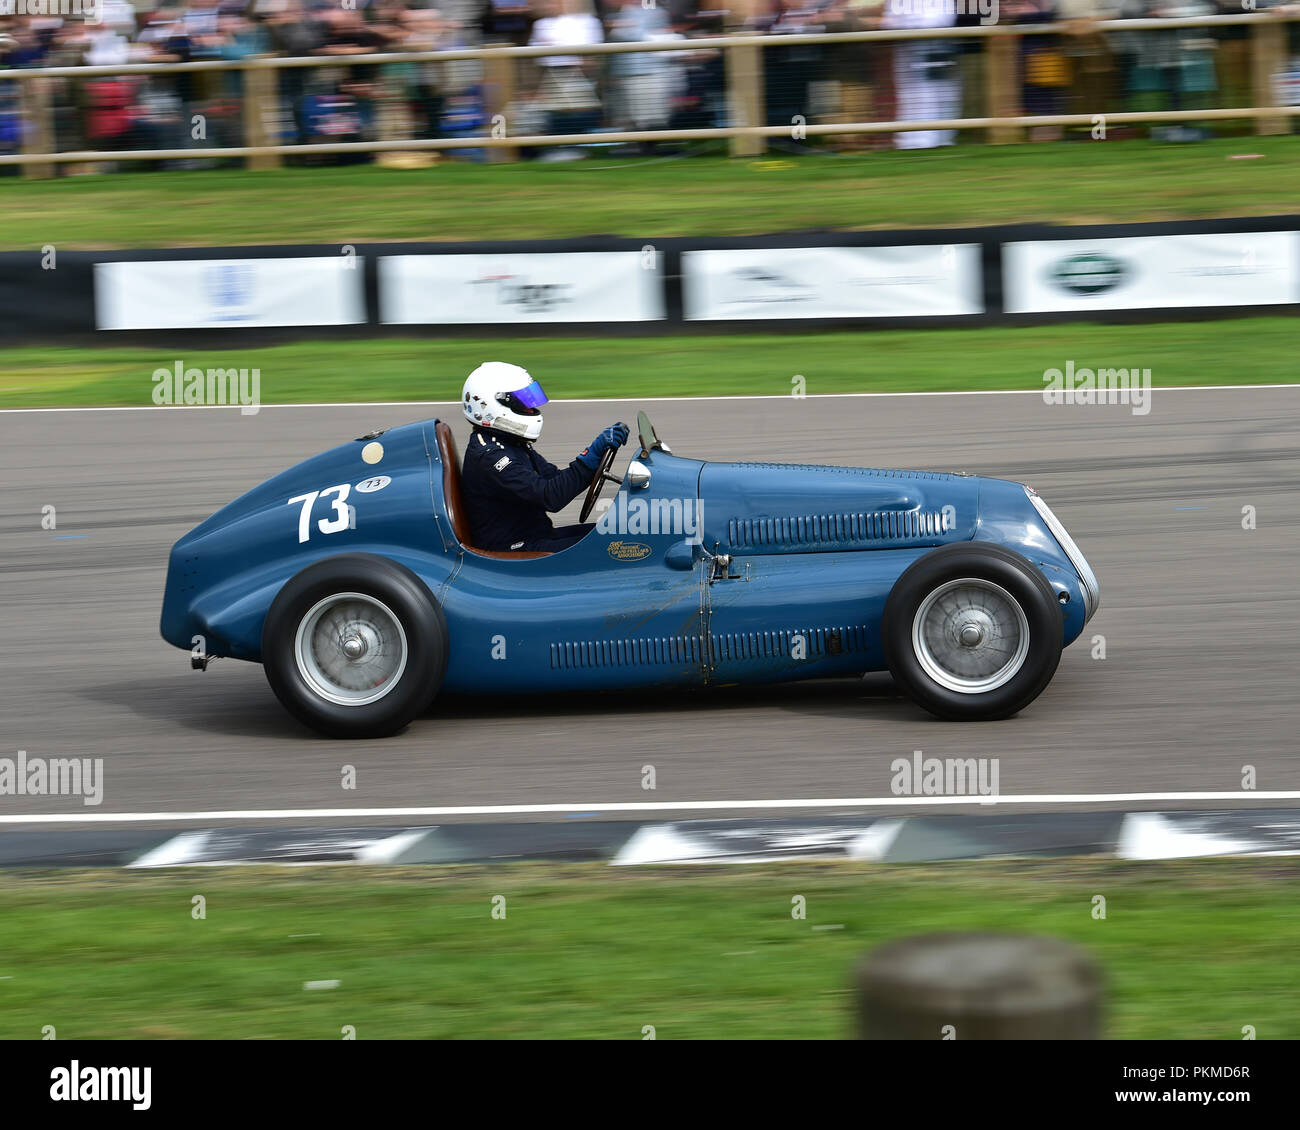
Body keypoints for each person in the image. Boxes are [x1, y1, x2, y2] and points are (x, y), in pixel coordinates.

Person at [460, 362, 629, 553]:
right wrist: (591, 456)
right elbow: (550, 497)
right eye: (523, 403)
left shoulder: (510, 443)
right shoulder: (491, 457)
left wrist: (594, 460)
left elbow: (555, 480)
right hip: (512, 552)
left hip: (537, 537)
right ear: (491, 405)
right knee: (617, 549)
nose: (531, 409)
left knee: (619, 533)